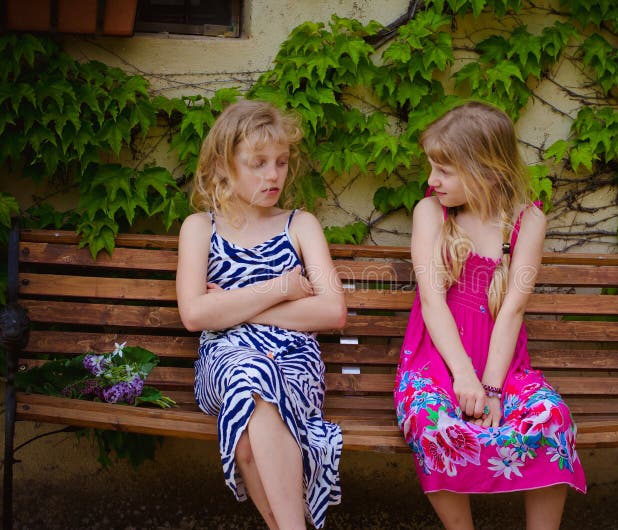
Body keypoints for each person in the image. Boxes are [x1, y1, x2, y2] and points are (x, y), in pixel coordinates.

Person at [394, 101, 587, 530]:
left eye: (444, 170)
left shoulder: (527, 220)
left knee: (551, 417)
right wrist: (463, 375)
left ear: (485, 168)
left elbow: (514, 307)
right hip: (436, 362)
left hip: (503, 367)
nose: (431, 180)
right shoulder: (431, 214)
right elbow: (432, 301)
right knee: (435, 425)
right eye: (431, 167)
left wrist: (493, 388)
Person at [176, 100, 346, 530]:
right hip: (225, 363)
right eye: (258, 163)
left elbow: (332, 310)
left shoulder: (300, 224)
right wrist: (280, 289)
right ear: (222, 166)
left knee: (248, 445)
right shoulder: (200, 228)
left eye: (282, 162)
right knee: (251, 374)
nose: (274, 175)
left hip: (294, 363)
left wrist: (234, 307)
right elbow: (196, 314)